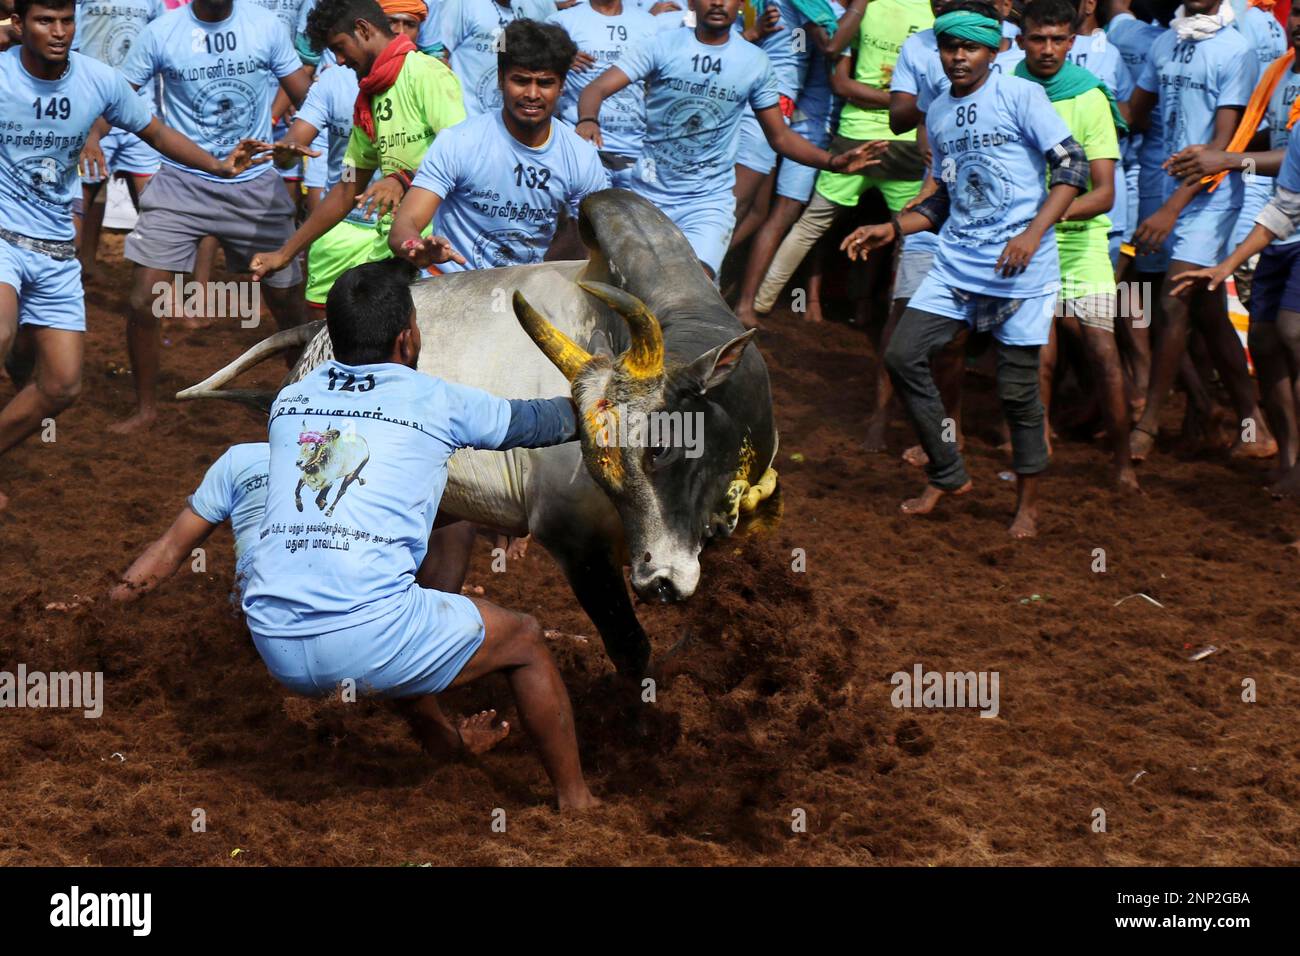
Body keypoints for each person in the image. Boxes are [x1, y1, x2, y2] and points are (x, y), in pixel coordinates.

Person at [242, 258, 599, 810]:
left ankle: (441, 740)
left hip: (272, 638)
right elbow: (548, 422)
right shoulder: (437, 401)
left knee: (408, 595)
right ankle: (577, 800)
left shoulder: (290, 401)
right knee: (525, 639)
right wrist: (606, 391)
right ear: (408, 338)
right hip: (364, 643)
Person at [0, 0, 270, 511]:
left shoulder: (98, 80)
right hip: (3, 236)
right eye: (43, 21)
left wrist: (219, 166)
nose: (58, 33)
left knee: (62, 386)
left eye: (66, 21)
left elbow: (157, 133)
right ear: (20, 24)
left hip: (58, 248)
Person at [842, 7, 1088, 537]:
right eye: (950, 47)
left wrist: (1031, 234)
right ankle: (948, 470)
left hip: (1022, 270)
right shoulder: (939, 114)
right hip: (958, 263)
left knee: (1019, 393)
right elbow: (945, 199)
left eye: (970, 48)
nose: (958, 57)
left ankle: (1028, 504)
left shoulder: (1021, 96)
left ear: (995, 50)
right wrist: (893, 228)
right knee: (903, 355)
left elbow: (1073, 166)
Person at [112, 0, 316, 434]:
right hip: (181, 181)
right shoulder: (161, 33)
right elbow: (119, 92)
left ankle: (307, 405)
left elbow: (308, 96)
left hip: (256, 183)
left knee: (288, 305)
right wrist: (93, 135)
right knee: (142, 300)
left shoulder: (264, 26)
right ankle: (146, 408)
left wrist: (296, 139)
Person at [575, 0, 884, 279]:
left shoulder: (754, 62)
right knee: (629, 286)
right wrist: (588, 120)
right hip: (648, 194)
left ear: (740, 3)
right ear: (693, 2)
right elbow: (596, 89)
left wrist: (832, 162)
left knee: (695, 289)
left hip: (707, 204)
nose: (719, 2)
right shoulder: (661, 45)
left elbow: (780, 136)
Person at [1126, 0, 1274, 461]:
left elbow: (1223, 147)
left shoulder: (1236, 50)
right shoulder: (1168, 41)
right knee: (1199, 311)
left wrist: (1171, 209)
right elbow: (1134, 111)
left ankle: (1148, 423)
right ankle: (1253, 426)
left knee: (1170, 302)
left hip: (1207, 198)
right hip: (1162, 189)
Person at [1168, 1, 1300, 496]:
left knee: (1290, 332)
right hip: (1275, 218)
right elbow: (1282, 174)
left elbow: (1273, 157)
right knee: (1263, 341)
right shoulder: (1278, 72)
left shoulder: (1238, 53)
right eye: (1299, 13)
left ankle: (1154, 414)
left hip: (1257, 208)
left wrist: (1225, 158)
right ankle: (1278, 452)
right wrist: (1226, 263)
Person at [250, 0, 466, 292]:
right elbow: (348, 186)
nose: (339, 60)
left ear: (363, 30)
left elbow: (461, 154)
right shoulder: (370, 97)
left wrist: (403, 179)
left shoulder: (427, 73)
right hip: (400, 247)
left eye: (340, 47)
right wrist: (284, 254)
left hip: (444, 250)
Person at [745, 0, 933, 321]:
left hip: (850, 133)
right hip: (896, 140)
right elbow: (832, 57)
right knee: (909, 237)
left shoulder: (858, 13)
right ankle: (897, 322)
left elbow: (839, 76)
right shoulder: (928, 19)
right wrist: (907, 105)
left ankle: (759, 302)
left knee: (809, 224)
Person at [1016, 0, 1138, 490]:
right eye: (1038, 39)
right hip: (1026, 244)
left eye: (1057, 40)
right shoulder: (1007, 88)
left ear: (1073, 41)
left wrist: (1043, 220)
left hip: (1079, 241)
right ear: (1021, 40)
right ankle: (1035, 459)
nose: (1047, 50)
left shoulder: (1089, 97)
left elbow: (1104, 192)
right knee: (1036, 356)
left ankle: (1124, 462)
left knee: (1101, 349)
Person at [388, 18, 609, 271]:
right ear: (501, 80)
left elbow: (599, 242)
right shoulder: (459, 142)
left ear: (561, 87)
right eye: (521, 80)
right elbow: (404, 225)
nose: (533, 94)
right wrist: (416, 248)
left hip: (522, 299)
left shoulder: (581, 157)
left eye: (545, 83)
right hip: (450, 290)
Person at [72, 0, 165, 282]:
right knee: (79, 199)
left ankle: (159, 286)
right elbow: (69, 46)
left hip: (139, 112)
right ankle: (69, 271)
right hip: (90, 112)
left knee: (155, 206)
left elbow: (161, 47)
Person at [545, 0, 661, 188]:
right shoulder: (561, 22)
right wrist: (559, 59)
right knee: (587, 216)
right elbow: (536, 70)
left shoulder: (649, 23)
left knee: (638, 217)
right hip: (583, 146)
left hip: (635, 148)